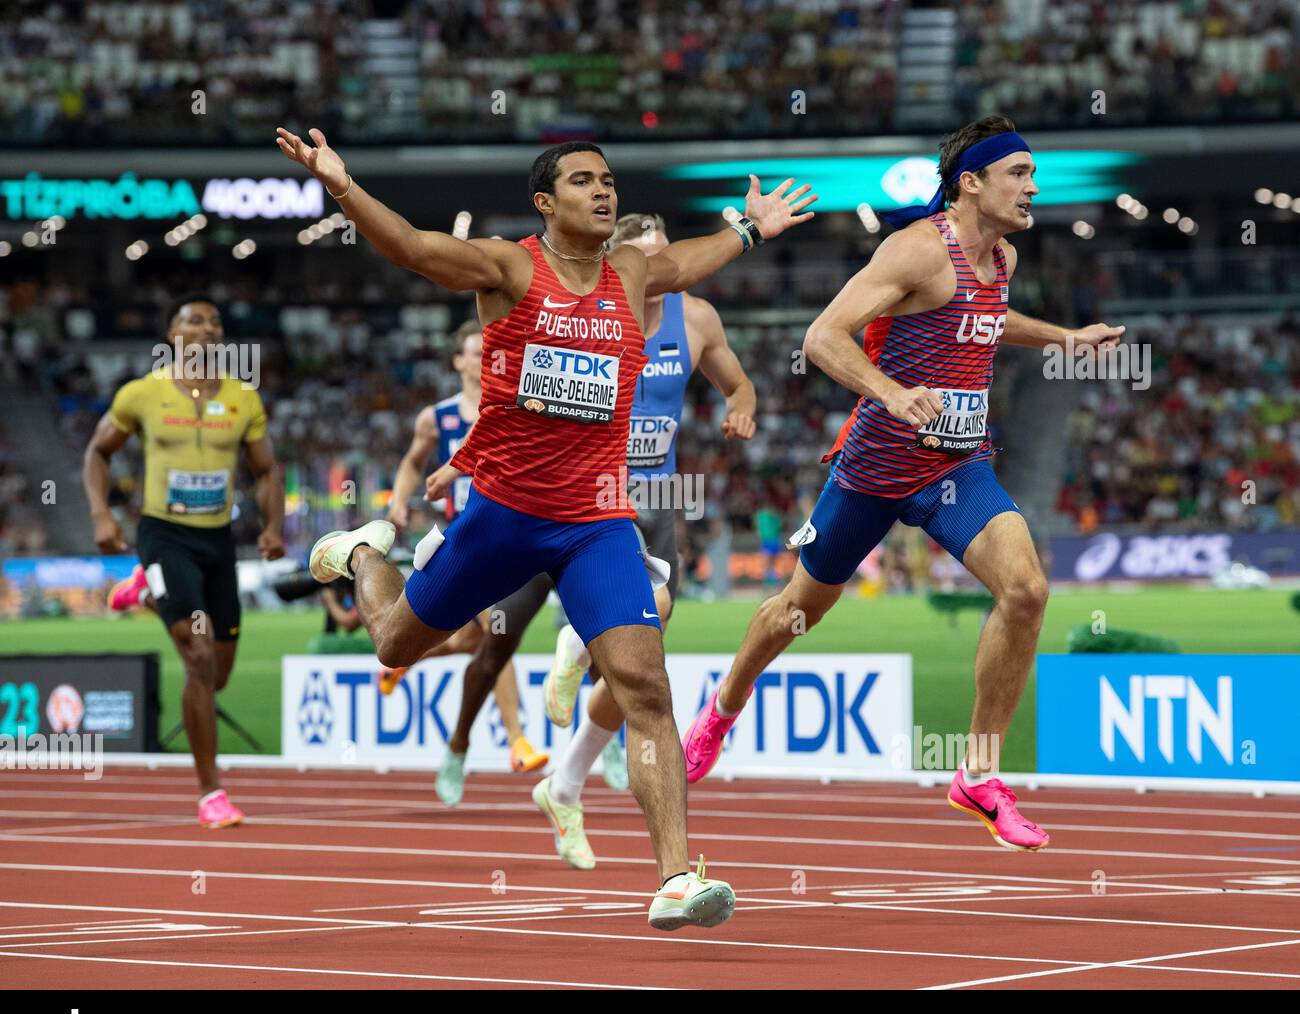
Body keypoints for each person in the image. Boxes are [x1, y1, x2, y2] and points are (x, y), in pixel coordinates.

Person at [276, 124, 814, 928]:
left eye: (609, 180)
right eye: (583, 181)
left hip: (597, 520)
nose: (603, 191)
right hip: (505, 515)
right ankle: (360, 553)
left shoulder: (631, 271)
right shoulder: (509, 267)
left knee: (647, 686)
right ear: (544, 201)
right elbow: (414, 248)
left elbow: (688, 260)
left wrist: (748, 230)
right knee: (393, 643)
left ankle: (675, 877)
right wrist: (342, 187)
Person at [681, 116, 1125, 852]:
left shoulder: (1004, 257)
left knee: (1026, 590)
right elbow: (822, 337)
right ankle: (724, 706)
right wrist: (891, 392)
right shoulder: (916, 249)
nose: (1033, 187)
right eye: (1018, 173)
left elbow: (986, 321)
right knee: (797, 610)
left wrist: (1063, 337)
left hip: (957, 466)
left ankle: (978, 774)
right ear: (970, 183)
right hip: (877, 469)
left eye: (1033, 174)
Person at [534, 210, 756, 869]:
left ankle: (563, 784)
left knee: (641, 657)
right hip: (595, 489)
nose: (665, 270)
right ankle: (575, 643)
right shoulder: (593, 313)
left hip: (658, 498)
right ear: (619, 261)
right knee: (645, 612)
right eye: (649, 259)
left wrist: (741, 405)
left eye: (669, 256)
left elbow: (736, 380)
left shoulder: (697, 318)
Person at [85, 295, 285, 828]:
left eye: (215, 321)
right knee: (197, 657)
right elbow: (98, 452)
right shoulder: (141, 394)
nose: (207, 328)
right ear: (172, 334)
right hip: (164, 535)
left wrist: (273, 525)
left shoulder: (243, 397)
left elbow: (266, 469)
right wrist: (102, 515)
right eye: (194, 320)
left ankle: (147, 593)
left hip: (217, 541)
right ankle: (210, 792)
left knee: (218, 672)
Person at [385, 318, 546, 793]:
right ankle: (516, 740)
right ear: (458, 361)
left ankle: (407, 666)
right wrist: (399, 500)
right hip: (466, 539)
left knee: (474, 641)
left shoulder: (517, 404)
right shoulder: (437, 418)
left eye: (491, 351)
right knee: (498, 627)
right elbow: (413, 462)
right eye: (476, 352)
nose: (485, 359)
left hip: (512, 534)